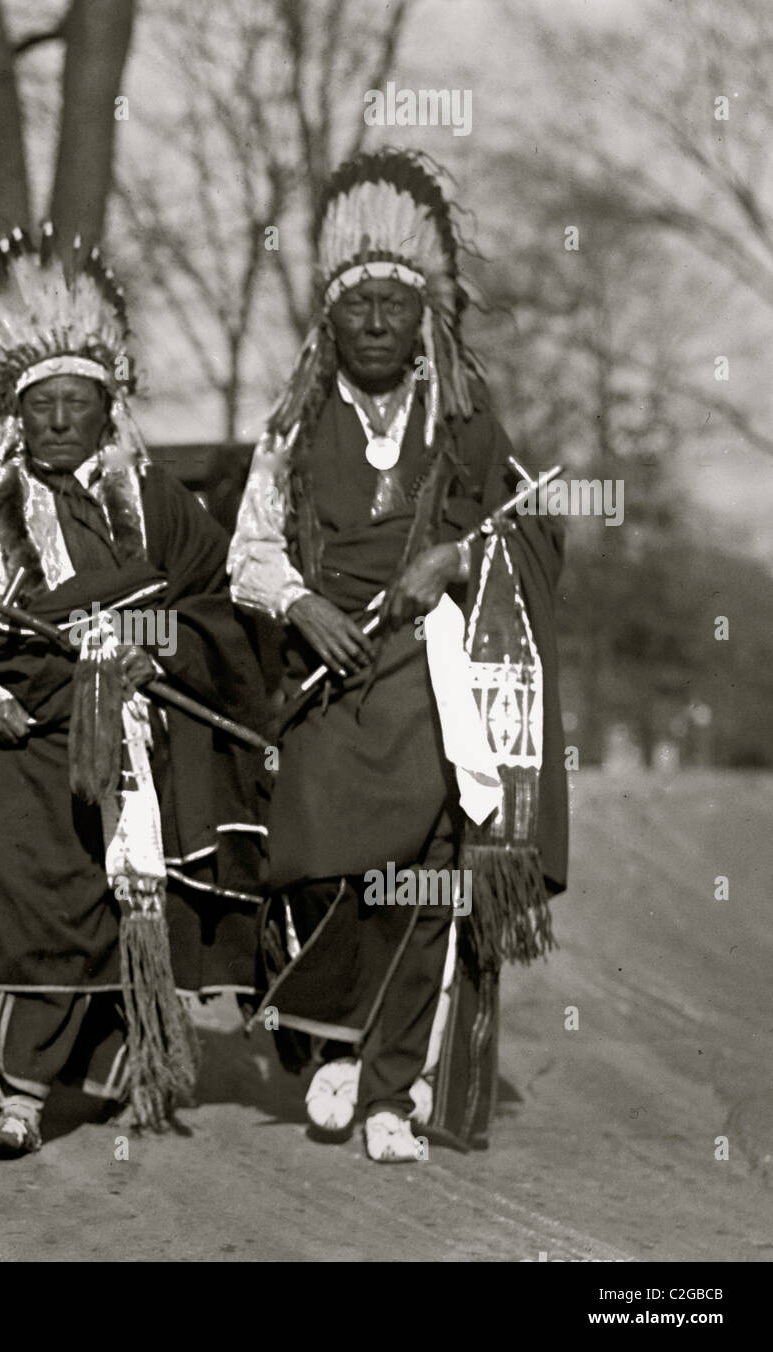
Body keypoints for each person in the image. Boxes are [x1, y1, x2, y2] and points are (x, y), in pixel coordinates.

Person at [229, 149, 567, 1161]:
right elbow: (247, 551)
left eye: (393, 300)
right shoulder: (291, 426)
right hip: (329, 683)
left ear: (422, 314)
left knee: (422, 880)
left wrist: (457, 558)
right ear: (325, 320)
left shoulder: (466, 425)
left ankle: (388, 1088)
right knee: (321, 868)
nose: (375, 319)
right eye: (355, 303)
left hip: (434, 679)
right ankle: (327, 1031)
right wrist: (297, 602)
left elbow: (533, 531)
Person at [0, 225, 267, 1158]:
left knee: (103, 901)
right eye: (44, 407)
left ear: (109, 411)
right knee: (14, 908)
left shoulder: (148, 501)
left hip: (116, 738)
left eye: (81, 404)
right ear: (15, 418)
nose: (62, 422)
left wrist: (147, 648)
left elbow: (213, 598)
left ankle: (66, 1080)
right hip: (9, 740)